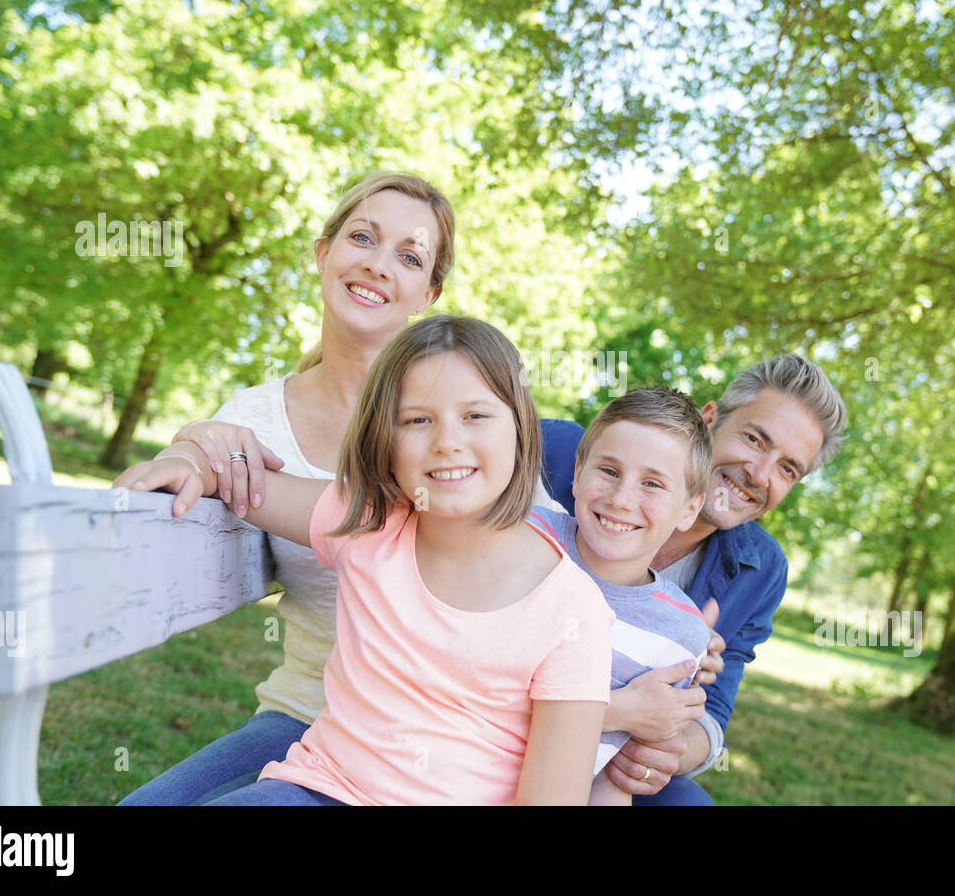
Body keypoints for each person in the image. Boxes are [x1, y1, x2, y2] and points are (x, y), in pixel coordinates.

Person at [120, 316, 615, 805]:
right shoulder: (368, 523)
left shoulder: (574, 610)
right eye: (417, 420)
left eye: (476, 415)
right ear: (386, 444)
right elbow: (237, 477)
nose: (447, 441)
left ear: (521, 429)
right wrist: (186, 460)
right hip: (318, 787)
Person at [116, 170, 456, 805]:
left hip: (433, 733)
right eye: (363, 238)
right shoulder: (257, 413)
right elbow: (200, 461)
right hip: (303, 714)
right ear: (324, 253)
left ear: (428, 292)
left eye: (408, 257)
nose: (379, 265)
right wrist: (191, 450)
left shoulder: (456, 411)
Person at [542, 354, 847, 805]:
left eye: (787, 469)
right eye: (754, 439)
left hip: (612, 754)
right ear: (709, 419)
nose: (759, 475)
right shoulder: (560, 453)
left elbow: (713, 715)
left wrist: (665, 746)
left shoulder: (760, 570)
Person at [529, 386, 715, 805]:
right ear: (577, 474)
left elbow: (613, 777)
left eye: (652, 484)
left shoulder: (681, 634)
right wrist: (618, 709)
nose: (622, 498)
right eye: (609, 471)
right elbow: (468, 688)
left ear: (690, 508)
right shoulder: (525, 540)